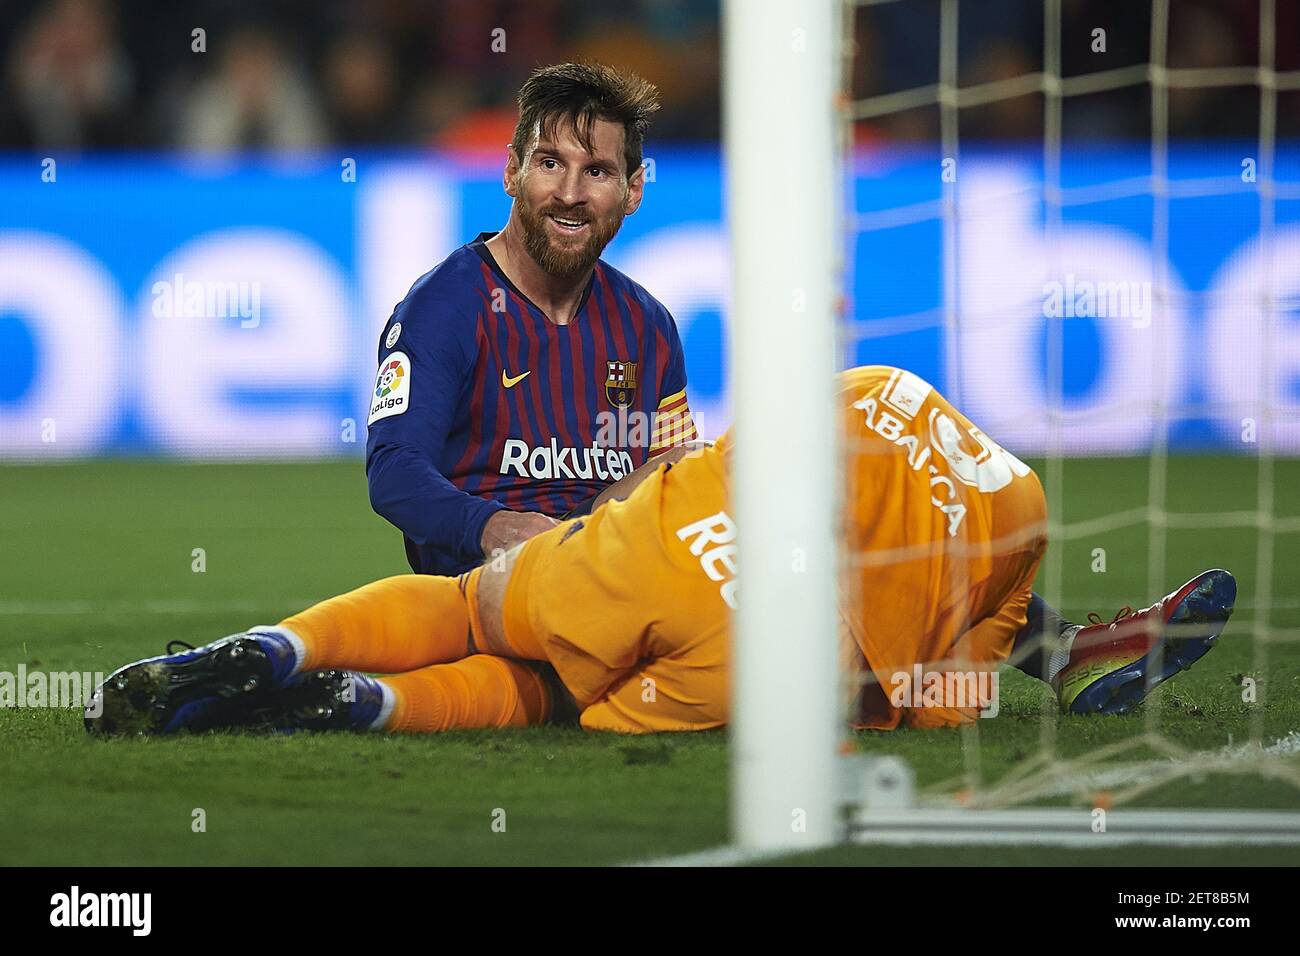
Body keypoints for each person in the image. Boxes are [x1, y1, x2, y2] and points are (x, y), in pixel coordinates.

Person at [86, 366, 1235, 737]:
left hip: (667, 529)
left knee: (477, 610)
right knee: (544, 696)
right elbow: (930, 696)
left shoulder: (882, 384)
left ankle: (271, 647)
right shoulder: (1019, 516)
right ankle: (359, 703)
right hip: (758, 635)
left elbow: (737, 442)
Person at [365, 62, 697, 577]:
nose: (569, 193)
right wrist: (496, 529)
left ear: (633, 191)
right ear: (511, 172)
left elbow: (675, 474)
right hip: (485, 590)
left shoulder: (648, 325)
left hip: (611, 579)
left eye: (596, 171)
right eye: (549, 163)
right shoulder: (446, 306)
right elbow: (394, 473)